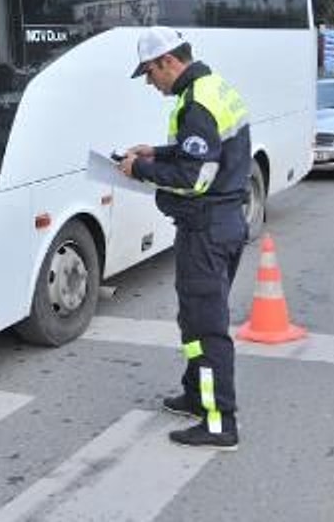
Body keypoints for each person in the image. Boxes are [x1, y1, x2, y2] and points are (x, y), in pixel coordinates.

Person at [118, 26, 251, 450]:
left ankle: (218, 422)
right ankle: (196, 395)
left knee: (206, 329)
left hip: (206, 229)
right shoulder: (212, 88)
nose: (150, 83)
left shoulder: (195, 106)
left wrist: (139, 170)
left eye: (150, 73)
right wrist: (158, 152)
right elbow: (208, 153)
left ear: (168, 62)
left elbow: (194, 177)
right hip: (223, 223)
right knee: (195, 320)